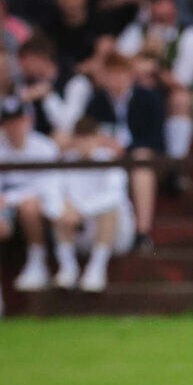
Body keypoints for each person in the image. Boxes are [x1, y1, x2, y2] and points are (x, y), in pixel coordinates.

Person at [0, 102, 65, 301]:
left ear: (28, 121)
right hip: (4, 213)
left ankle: (38, 262)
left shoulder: (45, 147)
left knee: (29, 207)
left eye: (18, 121)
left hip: (43, 211)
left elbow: (47, 188)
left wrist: (10, 198)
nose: (14, 127)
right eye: (9, 122)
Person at [83, 53, 165, 249]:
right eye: (111, 75)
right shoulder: (97, 101)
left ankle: (142, 231)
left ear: (130, 75)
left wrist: (126, 148)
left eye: (120, 74)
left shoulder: (149, 98)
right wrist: (103, 143)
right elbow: (86, 132)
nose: (116, 80)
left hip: (141, 159)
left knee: (141, 161)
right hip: (108, 158)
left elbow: (157, 140)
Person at [51, 116, 130, 292]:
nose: (85, 143)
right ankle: (67, 268)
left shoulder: (110, 160)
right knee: (60, 209)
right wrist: (67, 208)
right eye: (81, 138)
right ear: (74, 139)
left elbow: (114, 196)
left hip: (113, 236)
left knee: (110, 210)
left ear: (98, 138)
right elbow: (52, 192)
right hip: (78, 230)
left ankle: (96, 269)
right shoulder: (65, 161)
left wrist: (80, 210)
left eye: (89, 137)